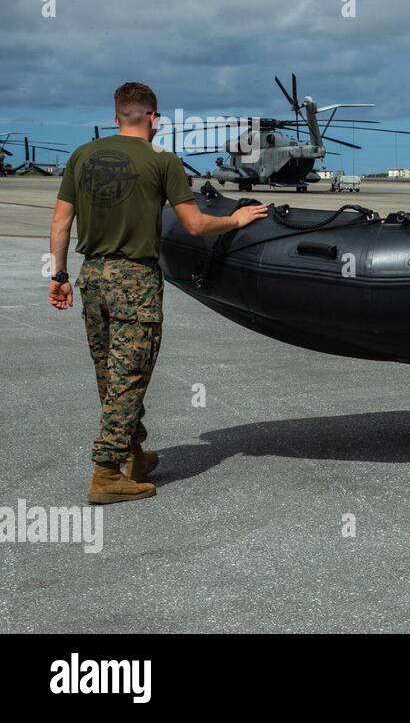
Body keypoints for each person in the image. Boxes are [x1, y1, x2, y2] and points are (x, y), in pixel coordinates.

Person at [49, 82, 268, 504]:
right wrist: (238, 219)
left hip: (91, 276)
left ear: (116, 117)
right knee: (128, 376)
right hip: (135, 281)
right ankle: (106, 473)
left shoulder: (82, 155)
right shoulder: (162, 160)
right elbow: (196, 225)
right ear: (153, 117)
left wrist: (58, 274)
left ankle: (133, 453)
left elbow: (60, 223)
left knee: (109, 374)